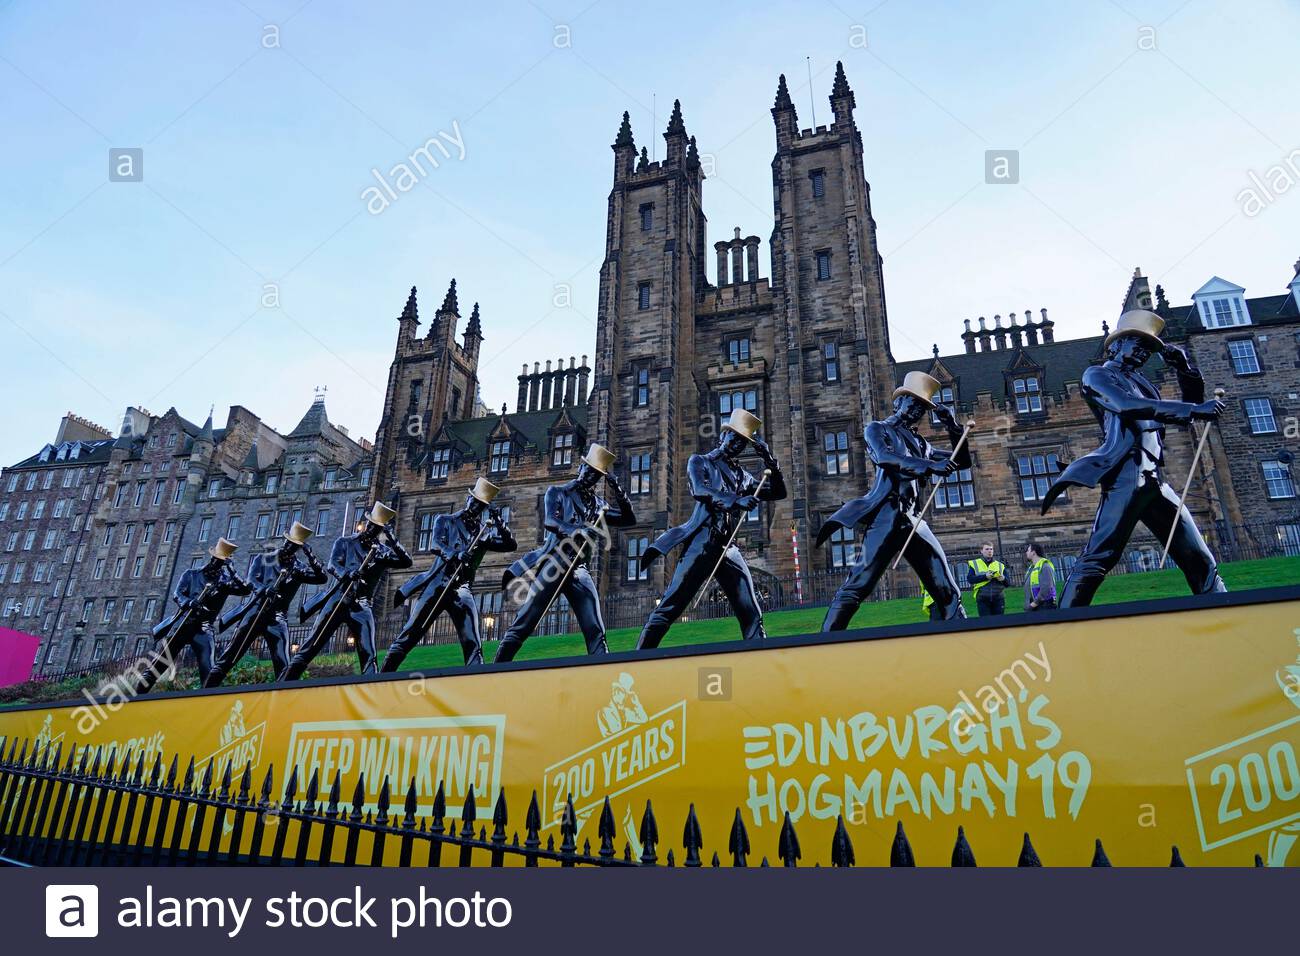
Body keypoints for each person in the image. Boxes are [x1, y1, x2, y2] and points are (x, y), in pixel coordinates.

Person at [1042, 309, 1227, 607]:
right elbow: (1126, 406)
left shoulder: (1143, 382)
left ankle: (1225, 614)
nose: (1144, 353)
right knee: (1099, 558)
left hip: (1154, 479)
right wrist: (1194, 410)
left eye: (1149, 349)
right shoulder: (1097, 375)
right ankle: (1064, 622)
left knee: (1199, 558)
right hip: (1126, 476)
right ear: (1115, 345)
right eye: (1137, 345)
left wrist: (1185, 369)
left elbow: (1190, 409)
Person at [817, 371, 970, 629]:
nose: (915, 410)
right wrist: (930, 466)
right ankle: (825, 641)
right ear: (898, 401)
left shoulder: (922, 444)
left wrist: (953, 427)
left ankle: (965, 637)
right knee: (858, 586)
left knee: (948, 590)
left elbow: (961, 461)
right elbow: (885, 458)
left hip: (913, 519)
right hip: (886, 515)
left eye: (921, 406)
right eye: (912, 402)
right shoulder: (878, 429)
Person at [636, 408, 787, 649]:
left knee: (751, 613)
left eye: (743, 442)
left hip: (728, 549)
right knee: (669, 607)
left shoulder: (743, 476)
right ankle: (637, 659)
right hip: (703, 544)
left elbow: (779, 492)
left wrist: (769, 459)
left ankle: (761, 660)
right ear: (723, 436)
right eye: (734, 437)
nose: (737, 444)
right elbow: (700, 490)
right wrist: (735, 501)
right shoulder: (700, 461)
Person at [495, 445, 634, 661]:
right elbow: (551, 521)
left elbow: (628, 520)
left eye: (596, 475)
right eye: (588, 471)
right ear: (580, 467)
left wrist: (618, 490)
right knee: (525, 622)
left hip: (579, 569)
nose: (591, 476)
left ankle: (603, 672)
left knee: (595, 628)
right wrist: (576, 530)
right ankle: (496, 668)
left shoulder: (599, 505)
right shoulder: (558, 492)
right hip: (556, 563)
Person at [383, 478, 516, 669]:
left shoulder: (483, 532)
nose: (476, 507)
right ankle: (382, 676)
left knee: (473, 643)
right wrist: (456, 554)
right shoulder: (445, 520)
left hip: (461, 589)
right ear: (468, 499)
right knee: (410, 634)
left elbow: (510, 545)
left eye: (481, 505)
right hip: (437, 583)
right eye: (475, 502)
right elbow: (436, 545)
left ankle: (478, 681)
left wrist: (499, 521)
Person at [280, 502, 412, 680]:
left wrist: (392, 537)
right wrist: (347, 574)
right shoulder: (345, 542)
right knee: (311, 646)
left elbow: (406, 562)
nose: (372, 529)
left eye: (378, 528)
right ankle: (284, 684)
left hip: (362, 605)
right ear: (366, 523)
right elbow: (333, 565)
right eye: (371, 524)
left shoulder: (382, 552)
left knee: (368, 654)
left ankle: (371, 689)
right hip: (338, 600)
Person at [204, 520, 327, 687]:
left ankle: (282, 698)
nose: (290, 547)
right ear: (285, 541)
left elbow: (322, 578)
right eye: (289, 543)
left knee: (283, 664)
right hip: (256, 612)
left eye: (295, 545)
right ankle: (207, 690)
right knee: (230, 655)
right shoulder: (265, 558)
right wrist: (263, 589)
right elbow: (251, 581)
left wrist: (310, 555)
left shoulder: (298, 568)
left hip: (277, 618)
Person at [137, 537, 252, 692]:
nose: (217, 564)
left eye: (221, 562)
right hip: (183, 624)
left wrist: (233, 571)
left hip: (204, 629)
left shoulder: (225, 582)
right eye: (216, 560)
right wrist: (189, 602)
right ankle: (137, 696)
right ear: (212, 558)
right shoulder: (191, 574)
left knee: (209, 670)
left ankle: (207, 702)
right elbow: (177, 594)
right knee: (158, 666)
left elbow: (245, 590)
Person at [967, 542, 1008, 617]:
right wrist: (985, 577)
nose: (989, 551)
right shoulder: (975, 563)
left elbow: (1008, 584)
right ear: (981, 551)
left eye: (991, 549)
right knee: (986, 624)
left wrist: (1003, 579)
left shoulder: (1000, 565)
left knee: (1000, 623)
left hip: (998, 598)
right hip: (983, 599)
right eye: (987, 549)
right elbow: (970, 579)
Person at [1024, 542, 1056, 611]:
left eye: (1028, 550)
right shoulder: (1032, 568)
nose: (1026, 552)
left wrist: (1033, 604)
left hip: (1044, 605)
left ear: (1033, 552)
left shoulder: (1045, 566)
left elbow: (1046, 588)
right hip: (1035, 606)